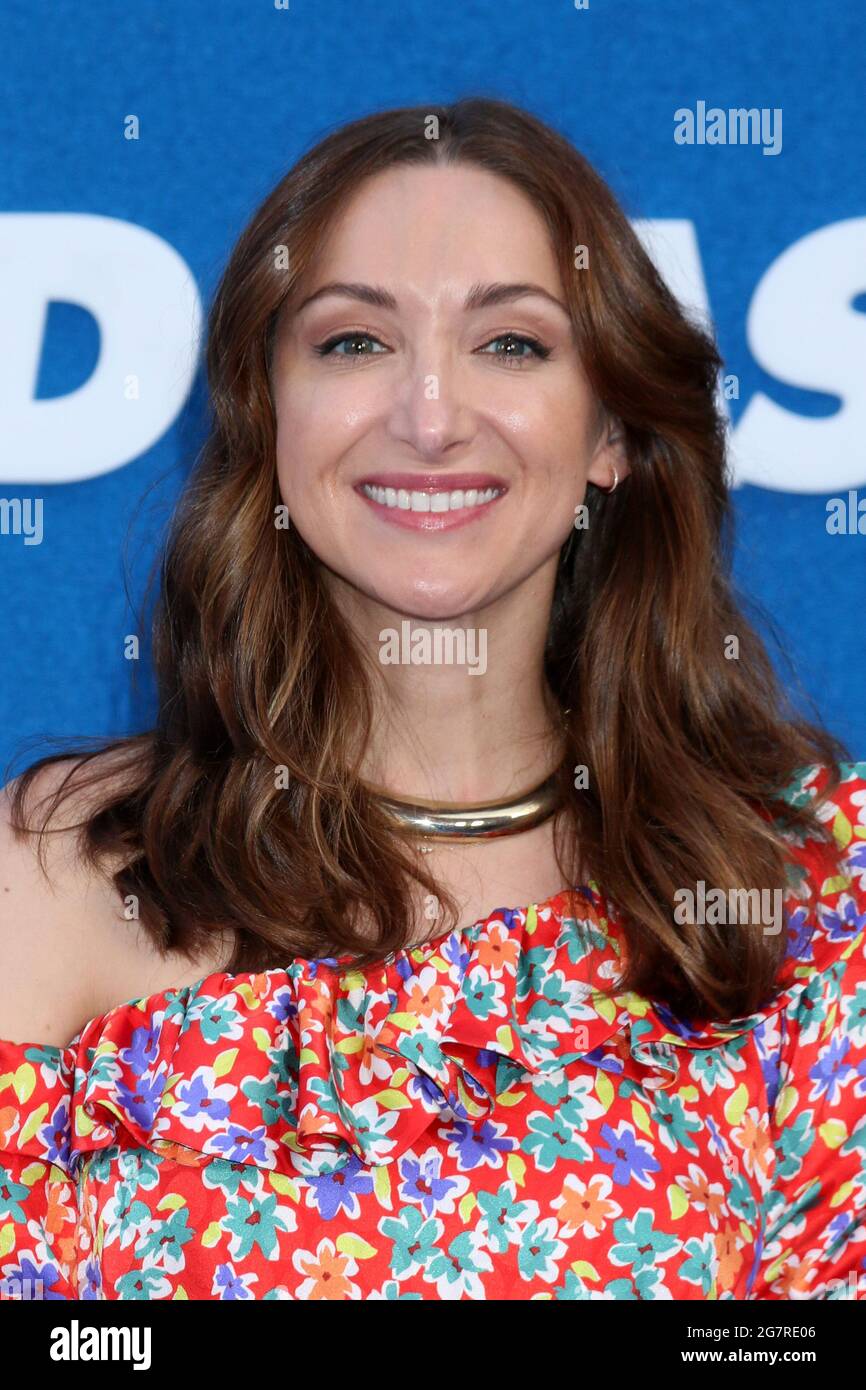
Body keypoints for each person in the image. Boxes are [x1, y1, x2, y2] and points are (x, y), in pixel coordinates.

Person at [1, 97, 864, 1302]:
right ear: (268, 416)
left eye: (510, 344)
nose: (429, 415)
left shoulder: (802, 888)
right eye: (353, 342)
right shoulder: (60, 868)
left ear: (610, 427)